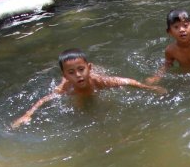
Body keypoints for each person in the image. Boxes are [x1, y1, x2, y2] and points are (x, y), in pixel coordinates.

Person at [11, 49, 165, 128]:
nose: (78, 75)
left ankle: (92, 69)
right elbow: (45, 99)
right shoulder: (66, 87)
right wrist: (28, 114)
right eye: (71, 73)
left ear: (88, 68)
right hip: (76, 91)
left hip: (95, 79)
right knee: (79, 108)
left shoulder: (99, 81)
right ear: (64, 75)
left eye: (81, 70)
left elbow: (125, 81)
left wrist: (148, 88)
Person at [146, 9, 190, 84]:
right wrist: (156, 77)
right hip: (183, 77)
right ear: (169, 32)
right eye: (176, 27)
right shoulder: (170, 50)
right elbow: (167, 64)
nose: (181, 30)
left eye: (185, 26)